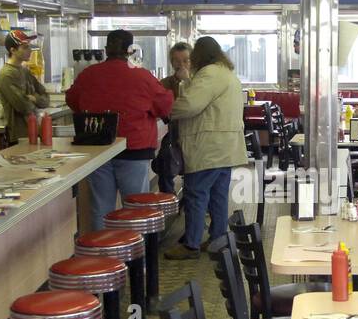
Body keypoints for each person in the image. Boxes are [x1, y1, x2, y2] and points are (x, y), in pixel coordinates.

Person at [66, 29, 173, 231]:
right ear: (130, 50)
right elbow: (164, 105)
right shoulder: (142, 76)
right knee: (135, 208)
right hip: (134, 149)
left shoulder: (88, 74)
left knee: (101, 209)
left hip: (98, 150)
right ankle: (134, 258)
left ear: (106, 49)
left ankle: (103, 256)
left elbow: (72, 100)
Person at [163, 36, 244, 260]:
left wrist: (171, 109)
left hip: (209, 146)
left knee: (196, 194)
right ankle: (218, 239)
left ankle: (191, 244)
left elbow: (190, 104)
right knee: (218, 195)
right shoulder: (226, 73)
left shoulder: (209, 73)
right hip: (224, 147)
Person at [0, 30, 48, 146]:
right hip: (19, 136)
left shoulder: (25, 71)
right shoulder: (7, 75)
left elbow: (46, 99)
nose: (29, 50)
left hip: (34, 132)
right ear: (12, 50)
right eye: (24, 47)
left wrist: (35, 98)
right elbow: (23, 106)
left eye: (29, 46)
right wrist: (34, 100)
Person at [155, 42, 191, 195]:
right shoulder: (165, 84)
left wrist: (187, 82)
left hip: (195, 135)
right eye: (176, 60)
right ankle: (168, 199)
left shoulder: (199, 82)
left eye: (185, 60)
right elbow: (160, 108)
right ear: (171, 62)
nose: (181, 64)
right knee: (164, 161)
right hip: (174, 135)